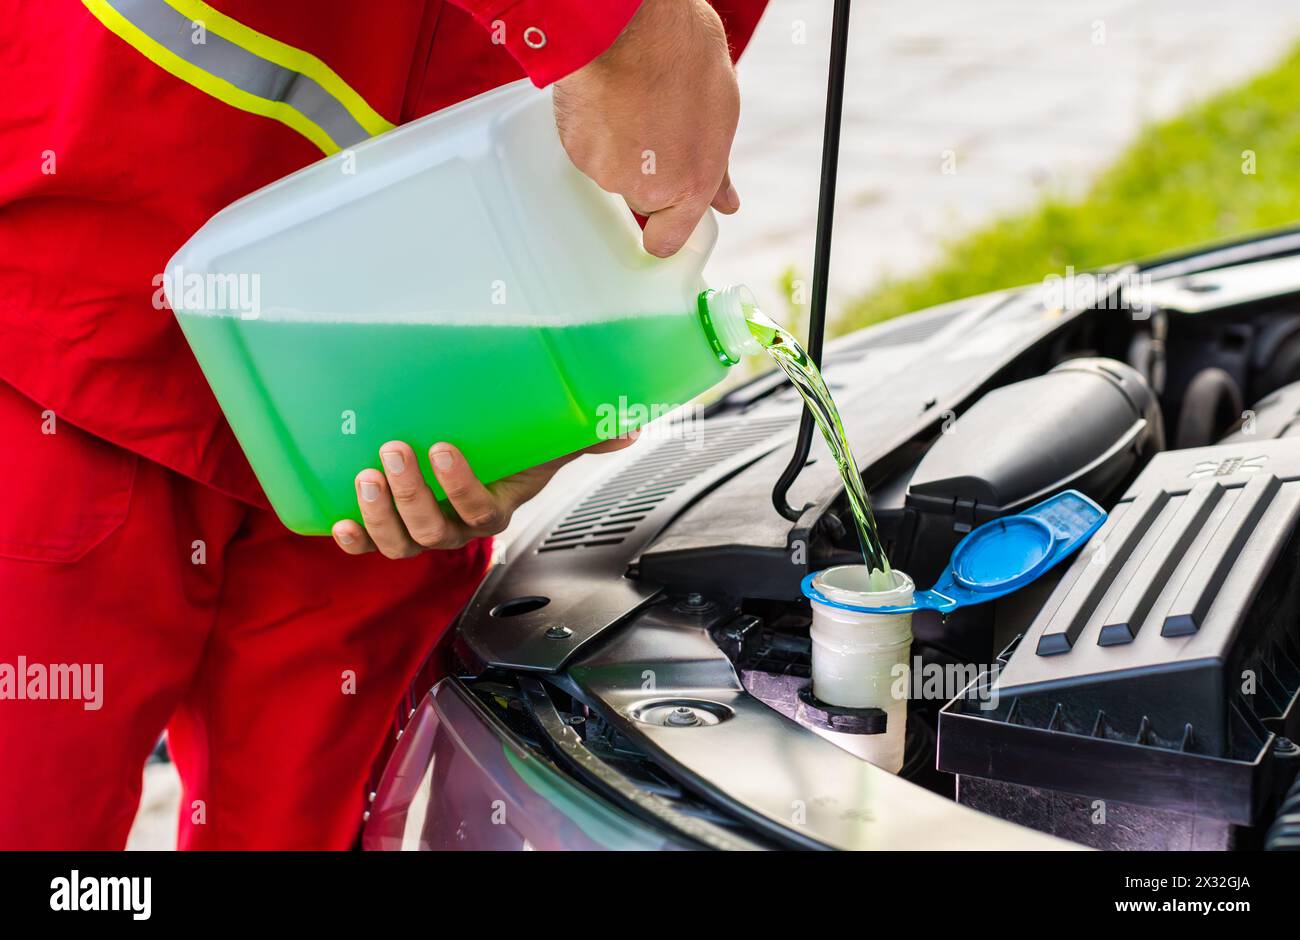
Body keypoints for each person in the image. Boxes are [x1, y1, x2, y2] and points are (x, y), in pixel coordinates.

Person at [0, 0, 766, 849]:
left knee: (306, 829)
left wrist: (543, 407)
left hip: (407, 413)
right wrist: (627, 25)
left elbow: (621, 144)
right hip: (81, 331)